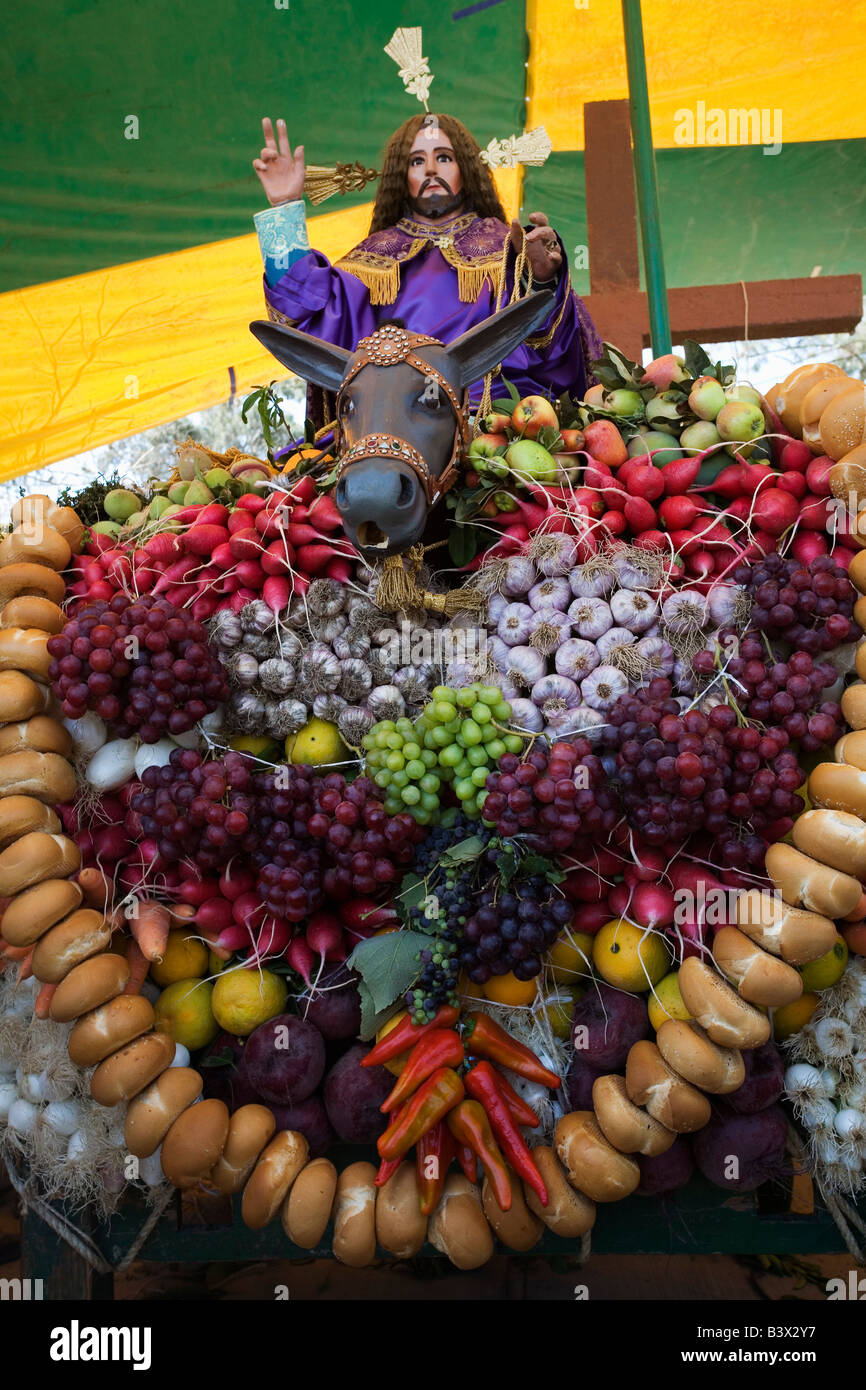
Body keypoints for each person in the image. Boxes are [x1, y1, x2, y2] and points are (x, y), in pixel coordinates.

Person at [251, 113, 600, 426]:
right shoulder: (373, 260)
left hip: (496, 420)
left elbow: (550, 344)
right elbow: (304, 311)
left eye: (443, 158)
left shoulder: (508, 249)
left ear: (465, 168)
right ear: (403, 177)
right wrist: (284, 210)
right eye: (417, 161)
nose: (431, 170)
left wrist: (541, 279)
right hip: (394, 424)